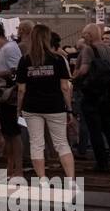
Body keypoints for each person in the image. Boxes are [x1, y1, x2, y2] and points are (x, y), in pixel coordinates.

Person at [16, 23, 76, 181]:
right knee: (62, 143)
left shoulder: (25, 60)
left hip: (32, 106)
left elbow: (21, 89)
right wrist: (69, 109)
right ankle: (71, 180)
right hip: (55, 106)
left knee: (36, 144)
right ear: (48, 38)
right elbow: (65, 87)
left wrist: (19, 108)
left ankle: (42, 180)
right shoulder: (58, 59)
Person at [73, 22, 110, 172]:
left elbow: (83, 70)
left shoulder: (89, 50)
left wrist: (74, 77)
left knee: (94, 130)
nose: (83, 37)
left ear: (89, 35)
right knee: (109, 128)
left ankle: (102, 163)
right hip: (108, 95)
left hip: (92, 95)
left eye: (84, 35)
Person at [0, 20, 29, 179]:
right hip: (5, 96)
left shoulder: (9, 49)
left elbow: (16, 70)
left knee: (13, 134)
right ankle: (11, 169)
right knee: (8, 134)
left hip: (10, 96)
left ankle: (18, 170)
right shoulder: (7, 48)